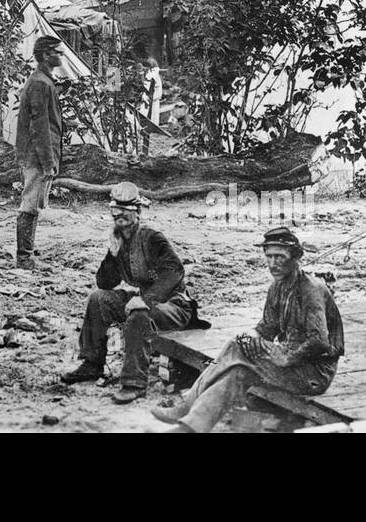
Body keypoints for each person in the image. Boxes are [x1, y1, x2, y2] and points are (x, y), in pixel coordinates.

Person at [152, 227, 345, 432]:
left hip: (313, 373)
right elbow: (267, 329)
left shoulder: (311, 289)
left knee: (237, 349)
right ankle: (189, 427)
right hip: (290, 359)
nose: (272, 263)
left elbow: (319, 342)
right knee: (237, 367)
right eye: (269, 257)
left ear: (295, 257)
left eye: (280, 257)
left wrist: (286, 358)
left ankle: (186, 406)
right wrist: (249, 344)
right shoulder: (277, 287)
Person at [61, 183, 203, 403]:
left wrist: (146, 300)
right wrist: (111, 255)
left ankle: (134, 383)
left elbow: (175, 271)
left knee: (138, 315)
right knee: (98, 299)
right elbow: (105, 283)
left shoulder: (151, 238)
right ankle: (92, 363)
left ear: (137, 212)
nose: (120, 215)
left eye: (126, 210)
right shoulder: (119, 240)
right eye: (116, 210)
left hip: (174, 306)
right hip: (148, 300)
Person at [14, 35, 63, 269]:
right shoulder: (40, 83)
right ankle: (24, 256)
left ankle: (28, 249)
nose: (60, 55)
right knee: (31, 203)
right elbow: (39, 126)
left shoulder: (43, 80)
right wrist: (47, 160)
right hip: (36, 153)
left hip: (38, 152)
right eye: (57, 52)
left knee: (35, 202)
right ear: (45, 55)